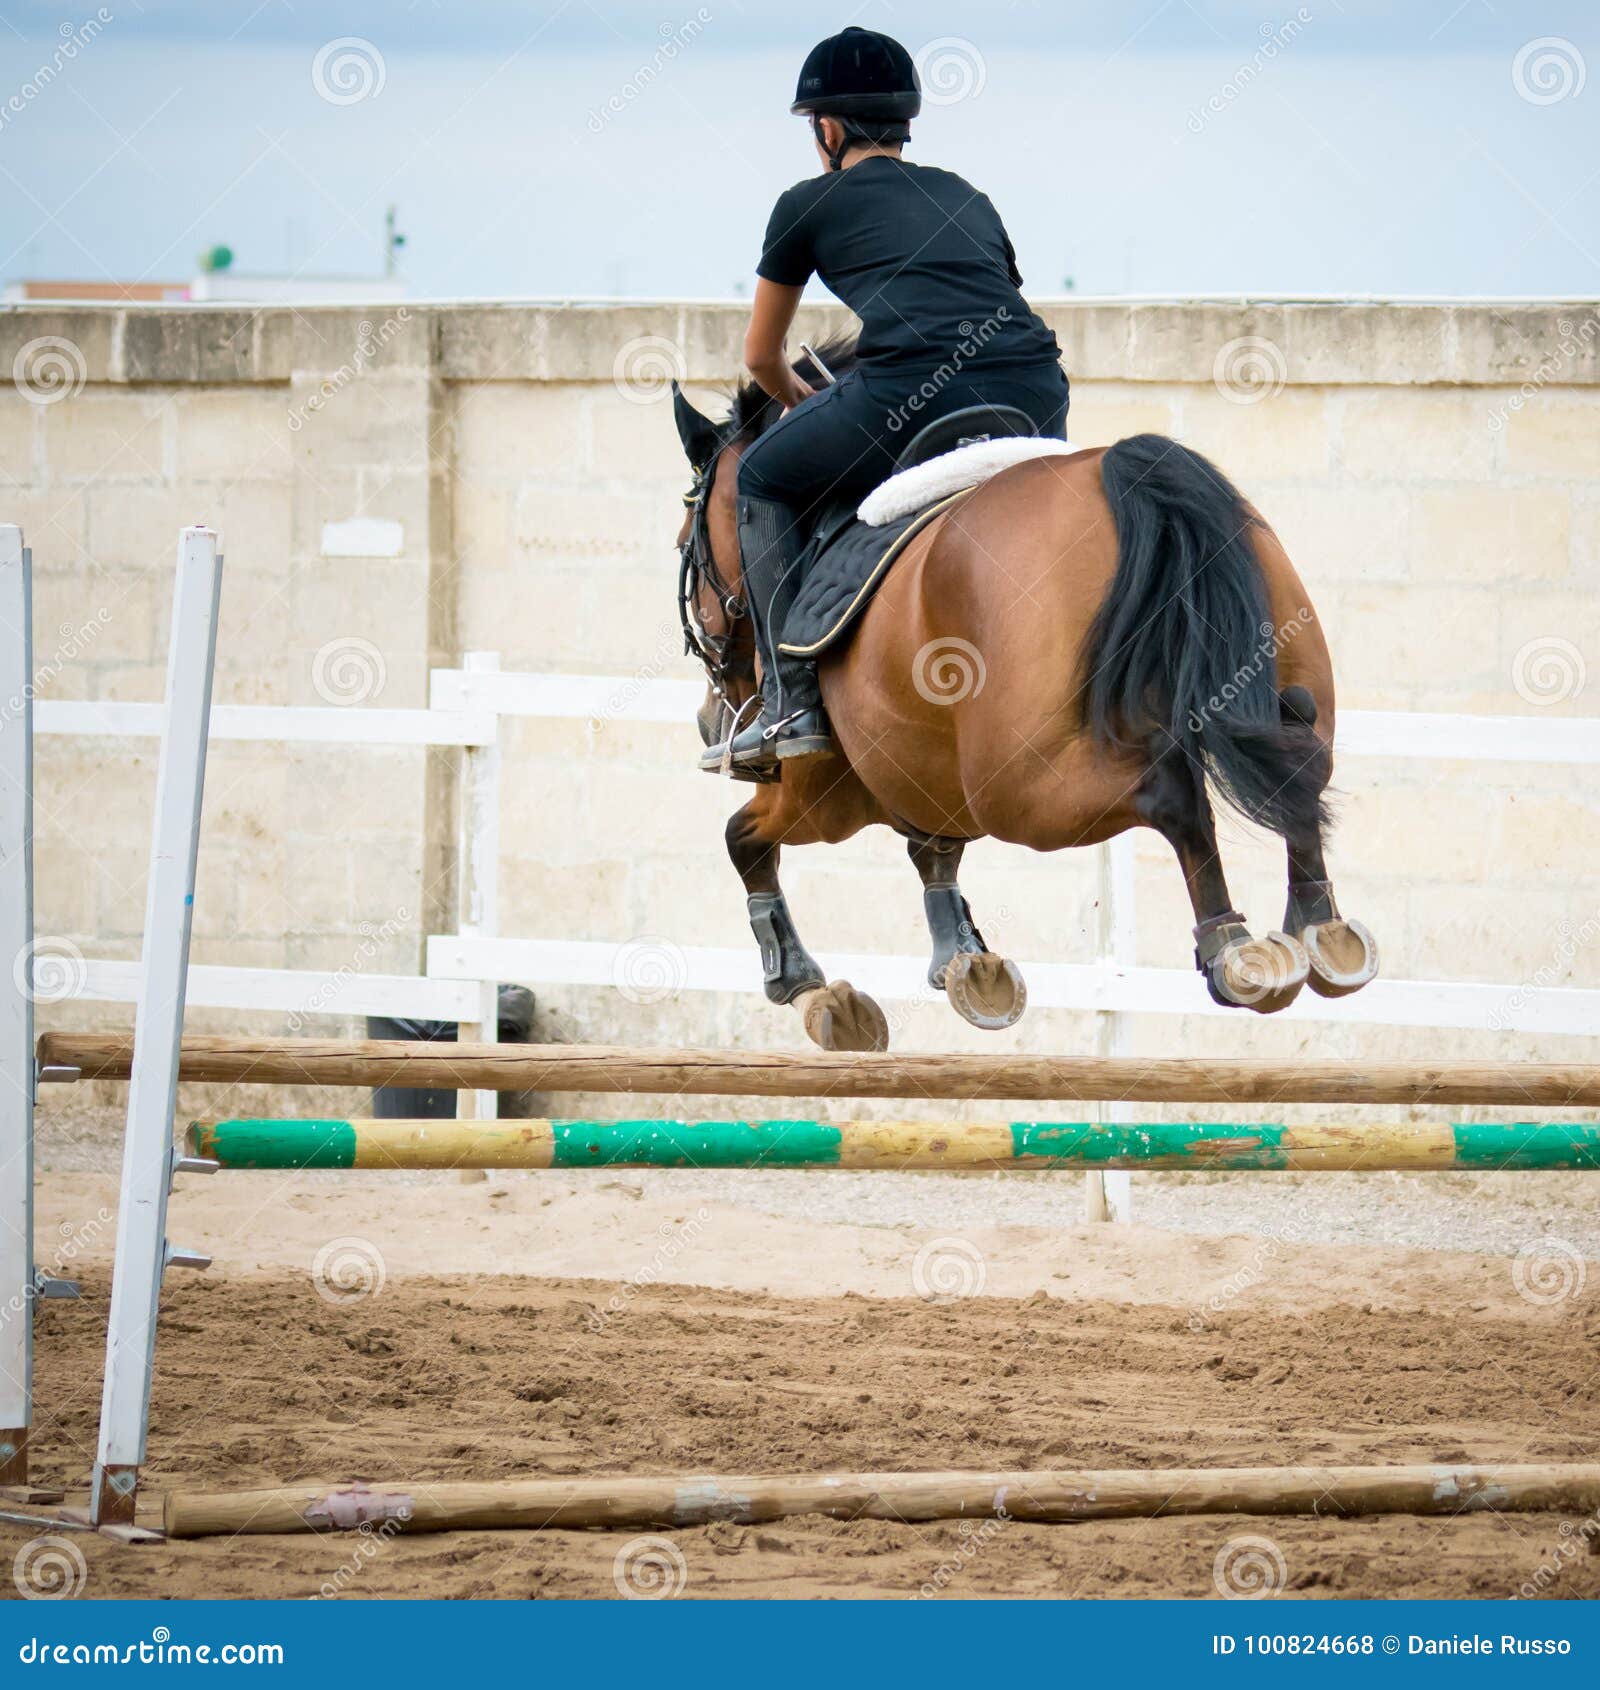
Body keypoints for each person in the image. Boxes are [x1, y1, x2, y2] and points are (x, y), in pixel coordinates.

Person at [704, 25, 1071, 774]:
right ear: (905, 123)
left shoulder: (804, 205)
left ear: (828, 129)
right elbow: (988, 304)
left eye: (816, 129)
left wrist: (804, 400)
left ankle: (789, 701)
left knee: (765, 476)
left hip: (908, 392)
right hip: (1037, 390)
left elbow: (761, 356)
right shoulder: (967, 195)